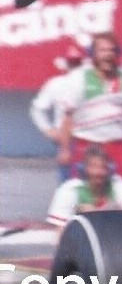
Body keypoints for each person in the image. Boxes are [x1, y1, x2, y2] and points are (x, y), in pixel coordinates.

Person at [54, 31, 122, 182]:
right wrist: (64, 149)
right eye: (102, 51)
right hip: (85, 145)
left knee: (120, 195)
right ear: (92, 54)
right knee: (83, 197)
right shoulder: (78, 79)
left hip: (118, 147)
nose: (108, 55)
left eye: (112, 51)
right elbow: (68, 117)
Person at [30, 37, 88, 180]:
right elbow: (37, 108)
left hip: (91, 136)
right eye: (72, 63)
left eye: (77, 63)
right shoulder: (56, 84)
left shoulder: (93, 85)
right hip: (67, 139)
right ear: (66, 64)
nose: (75, 66)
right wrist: (48, 129)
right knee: (68, 181)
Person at [46, 143, 122, 230]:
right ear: (83, 169)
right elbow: (61, 232)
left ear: (109, 169)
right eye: (93, 167)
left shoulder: (116, 184)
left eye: (103, 167)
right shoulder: (70, 190)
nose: (98, 172)